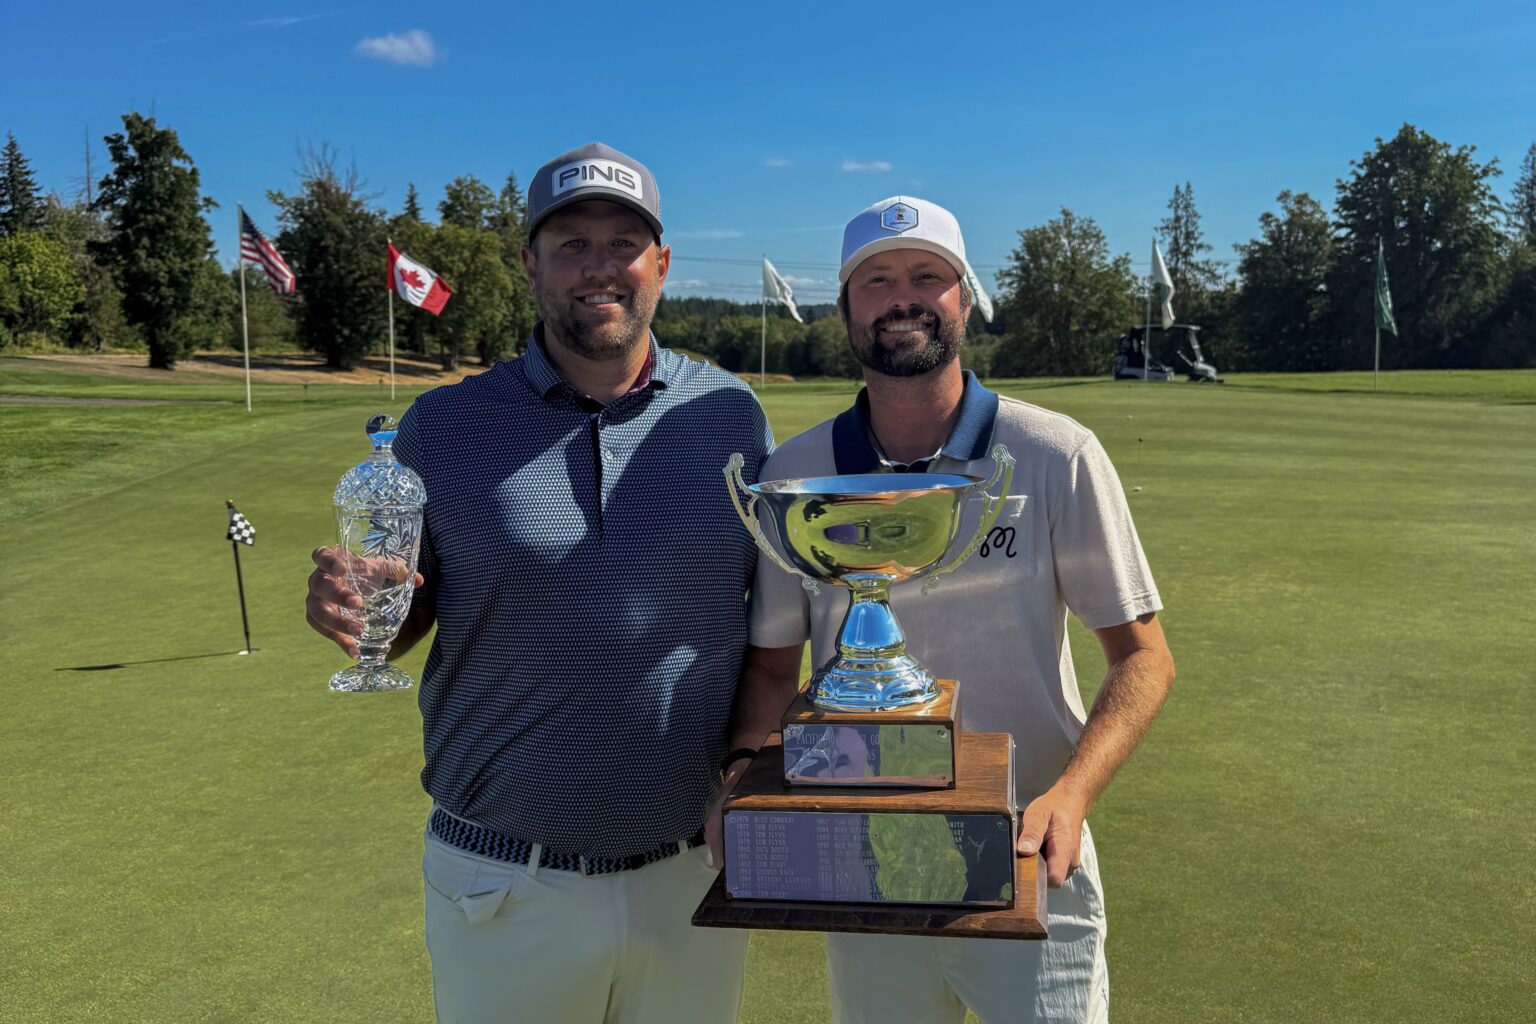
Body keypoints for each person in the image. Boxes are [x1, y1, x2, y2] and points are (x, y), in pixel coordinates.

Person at [305, 142, 794, 1024]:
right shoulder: (444, 426)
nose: (598, 268)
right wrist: (362, 607)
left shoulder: (733, 417)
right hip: (502, 879)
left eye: (623, 244)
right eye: (571, 245)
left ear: (663, 265)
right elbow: (413, 606)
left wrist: (750, 773)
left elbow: (767, 632)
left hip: (693, 872)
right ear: (529, 263)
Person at [741, 196, 1176, 1023]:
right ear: (845, 309)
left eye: (927, 276)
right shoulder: (797, 473)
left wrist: (1073, 795)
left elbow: (1145, 657)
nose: (902, 296)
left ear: (963, 298)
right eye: (876, 281)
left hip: (1029, 851)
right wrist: (739, 783)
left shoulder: (1053, 454)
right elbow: (771, 667)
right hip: (863, 854)